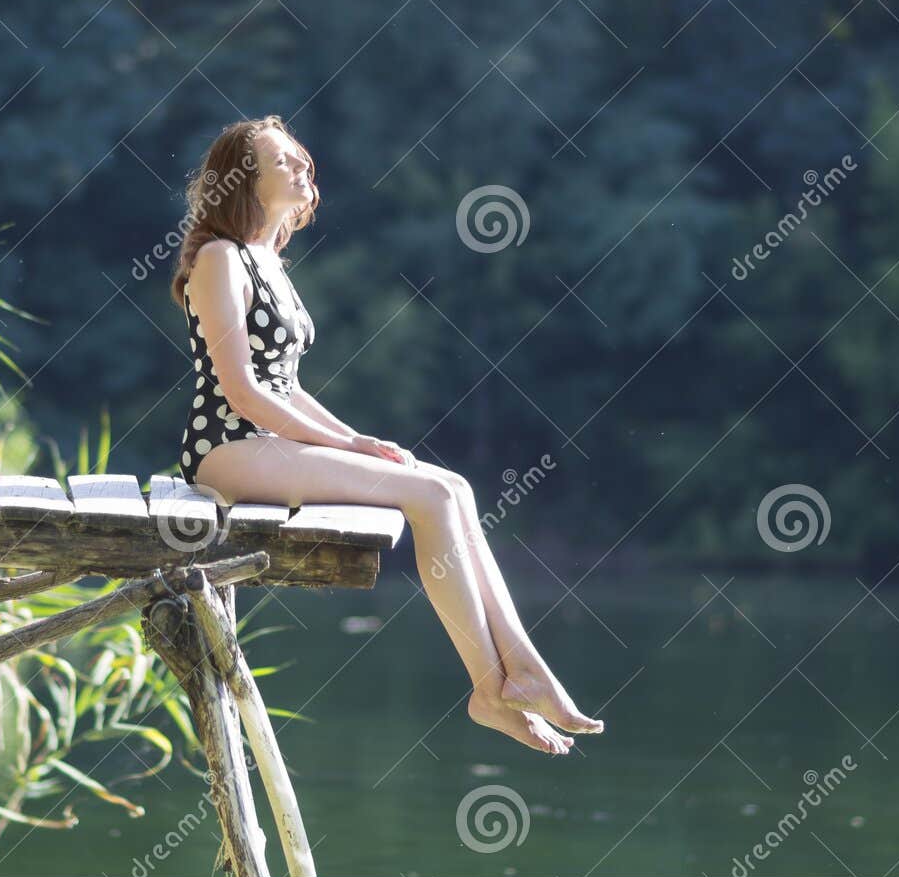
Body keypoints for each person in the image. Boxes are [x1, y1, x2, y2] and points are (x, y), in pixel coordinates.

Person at [168, 115, 602, 754]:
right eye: (282, 160)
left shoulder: (267, 261)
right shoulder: (218, 259)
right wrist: (344, 448)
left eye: (299, 156)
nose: (301, 166)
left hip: (269, 441)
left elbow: (286, 386)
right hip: (225, 447)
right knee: (428, 496)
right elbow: (242, 392)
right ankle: (491, 688)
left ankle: (519, 666)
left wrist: (357, 438)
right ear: (242, 180)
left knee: (452, 487)